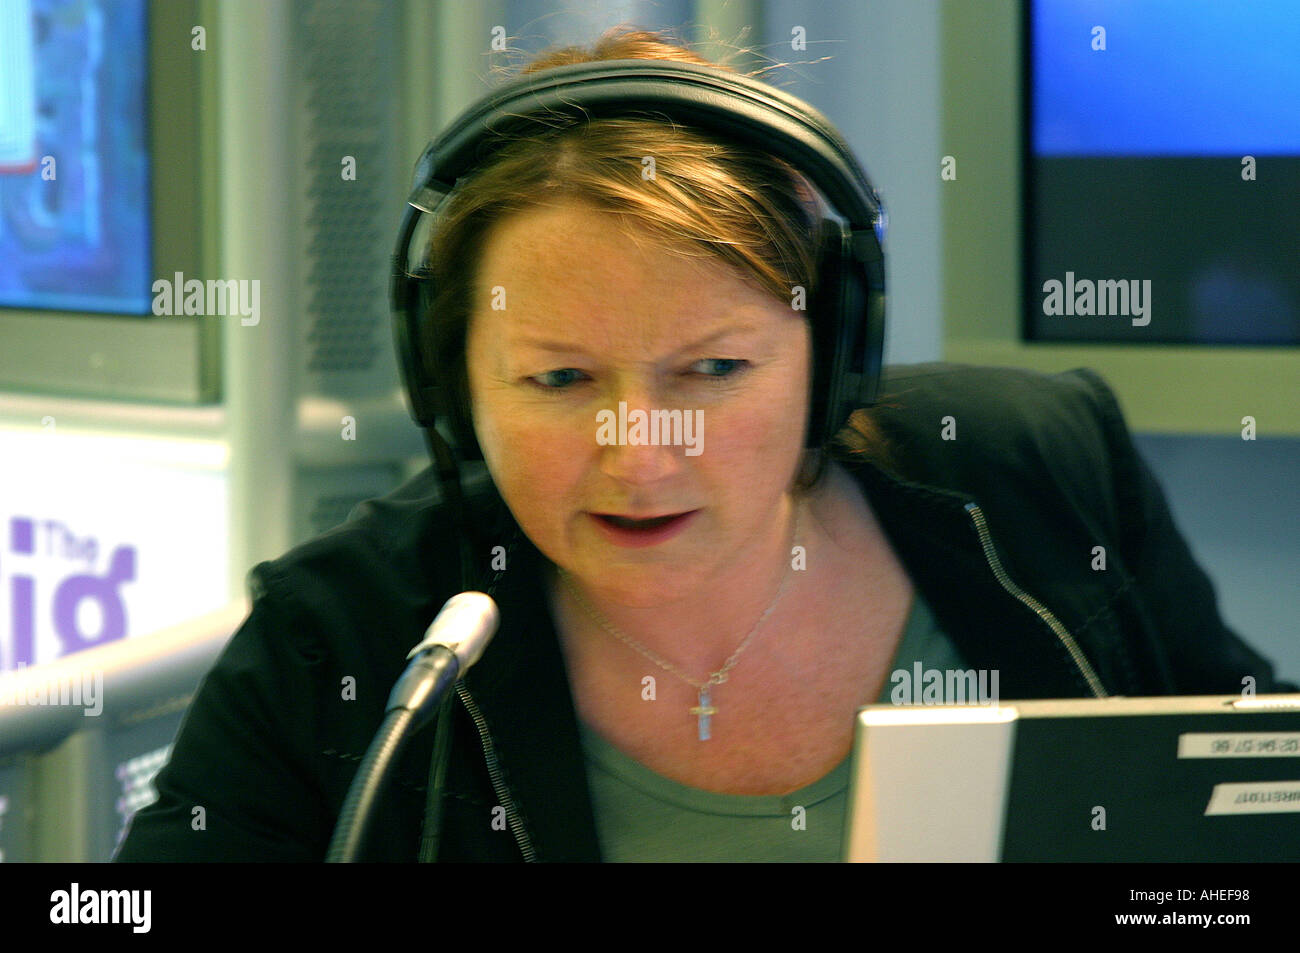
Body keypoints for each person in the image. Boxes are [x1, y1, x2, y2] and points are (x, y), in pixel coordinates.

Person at [114, 29, 1295, 863]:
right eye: (560, 379)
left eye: (714, 370)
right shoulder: (356, 629)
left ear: (833, 354)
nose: (639, 453)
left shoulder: (1034, 469)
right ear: (450, 383)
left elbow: (1249, 795)